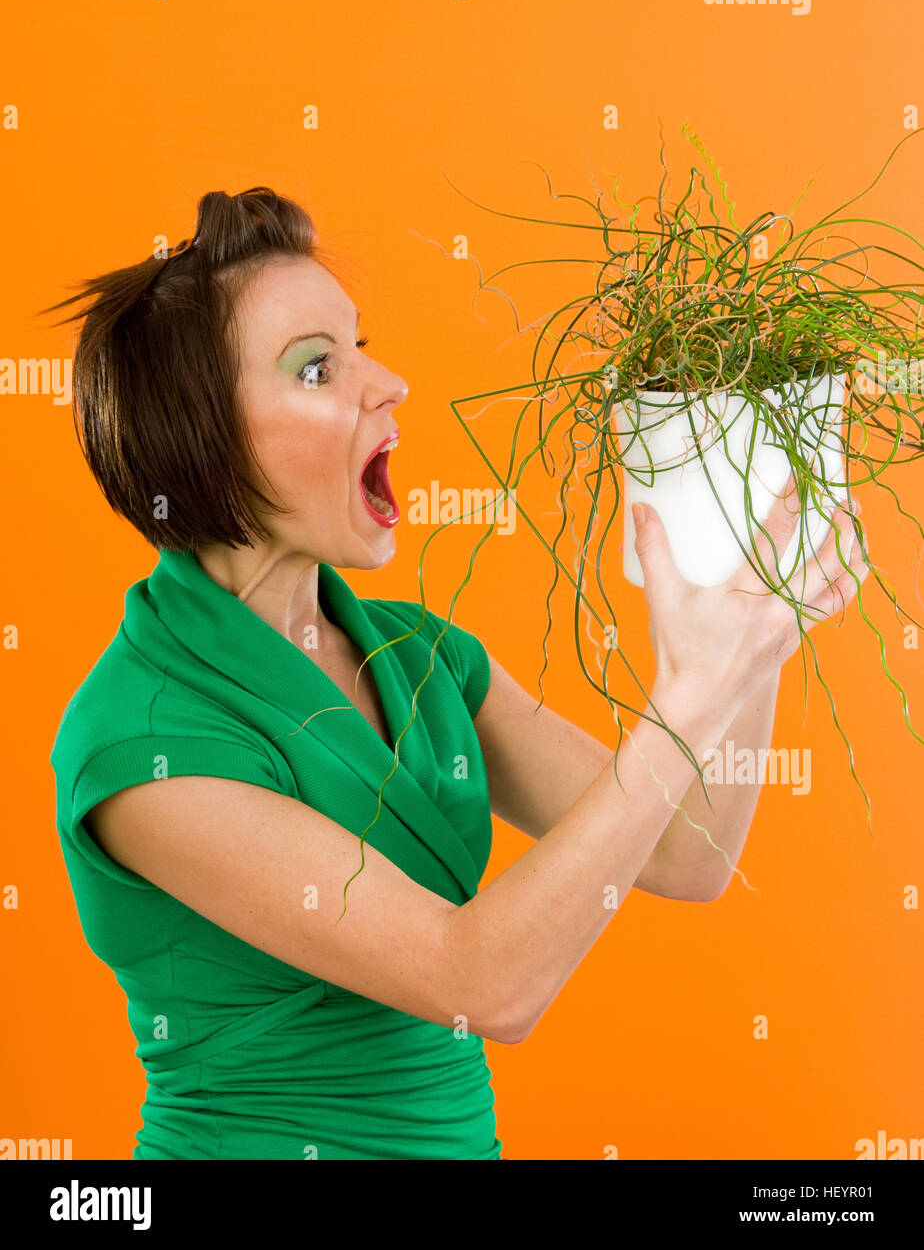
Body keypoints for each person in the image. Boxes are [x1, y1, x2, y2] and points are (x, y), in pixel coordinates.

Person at [47, 186, 868, 1160]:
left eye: (362, 346)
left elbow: (688, 855)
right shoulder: (143, 737)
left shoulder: (424, 658)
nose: (385, 383)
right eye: (317, 367)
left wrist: (753, 615)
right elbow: (484, 985)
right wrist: (687, 696)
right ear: (202, 443)